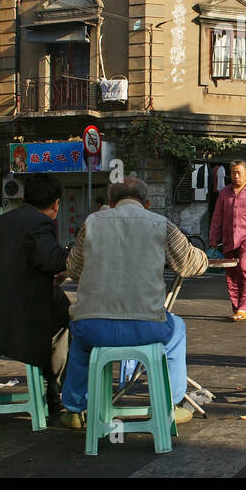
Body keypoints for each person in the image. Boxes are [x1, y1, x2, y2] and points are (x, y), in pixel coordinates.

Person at [58, 176, 208, 429]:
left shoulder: (92, 222)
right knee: (177, 328)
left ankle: (75, 410)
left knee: (81, 346)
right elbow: (190, 264)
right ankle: (168, 406)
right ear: (147, 203)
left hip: (94, 328)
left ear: (111, 202)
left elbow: (73, 268)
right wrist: (203, 256)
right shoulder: (161, 224)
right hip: (146, 329)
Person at [0, 175, 71, 405]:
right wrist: (76, 253)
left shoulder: (0, 221)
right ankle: (58, 388)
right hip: (11, 323)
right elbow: (52, 261)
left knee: (57, 305)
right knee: (69, 316)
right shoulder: (40, 222)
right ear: (56, 203)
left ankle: (53, 386)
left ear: (25, 197)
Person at [209, 159, 246, 321]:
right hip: (229, 239)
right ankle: (237, 308)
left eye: (239, 173)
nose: (236, 176)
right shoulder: (224, 193)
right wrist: (213, 237)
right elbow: (217, 217)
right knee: (231, 276)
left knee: (244, 269)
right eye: (233, 173)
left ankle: (244, 307)